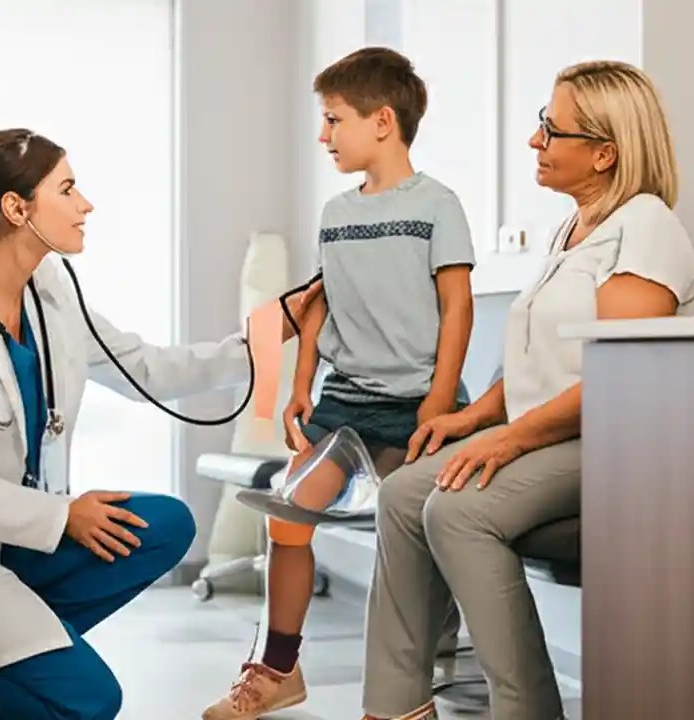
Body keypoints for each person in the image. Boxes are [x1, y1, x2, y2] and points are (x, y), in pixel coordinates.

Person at [0, 128, 320, 720]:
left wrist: (269, 331)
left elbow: (147, 367)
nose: (86, 205)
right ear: (16, 208)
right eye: (68, 189)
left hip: (8, 538)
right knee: (90, 702)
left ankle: (8, 661)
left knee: (161, 526)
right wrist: (63, 515)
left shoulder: (49, 295)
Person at [360, 60, 694, 720]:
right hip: (557, 434)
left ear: (605, 152)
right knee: (404, 493)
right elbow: (538, 363)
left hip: (617, 442)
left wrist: (509, 438)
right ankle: (398, 708)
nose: (534, 141)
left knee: (457, 510)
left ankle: (527, 711)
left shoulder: (646, 226)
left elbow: (618, 378)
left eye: (552, 128)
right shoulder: (575, 230)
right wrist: (476, 419)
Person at [203, 47, 475, 719]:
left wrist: (440, 398)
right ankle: (277, 669)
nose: (323, 137)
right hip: (344, 406)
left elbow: (458, 305)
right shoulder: (335, 212)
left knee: (413, 533)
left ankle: (411, 691)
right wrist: (301, 385)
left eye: (333, 121)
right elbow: (321, 301)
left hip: (421, 406)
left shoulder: (438, 206)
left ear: (382, 121)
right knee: (289, 518)